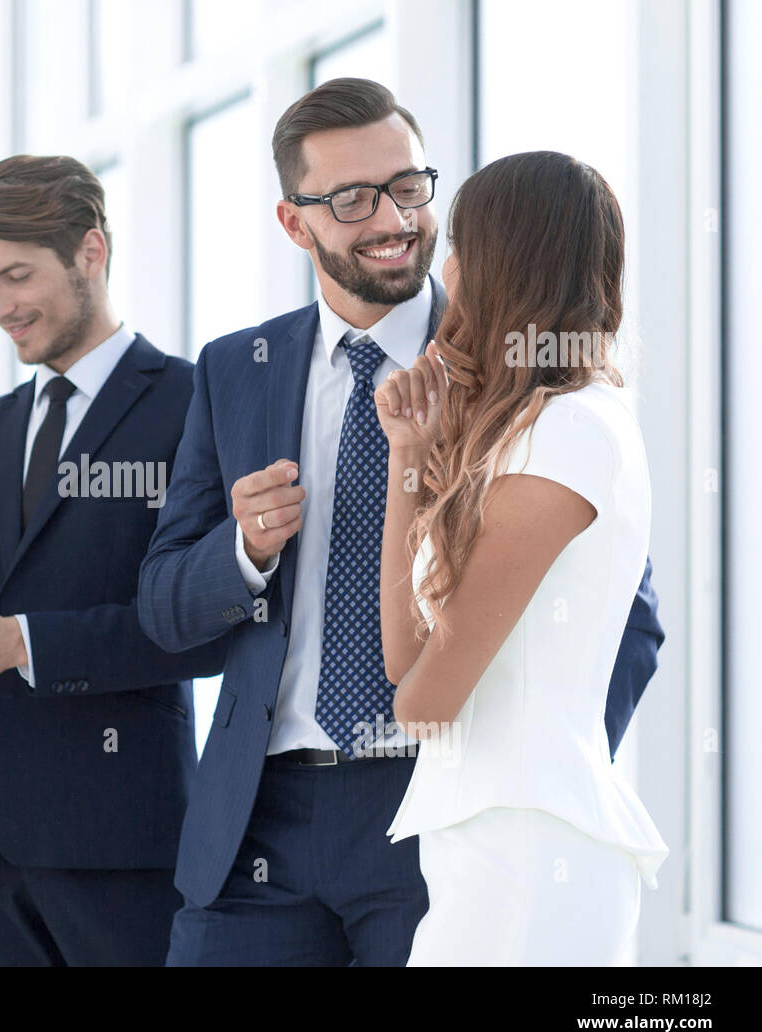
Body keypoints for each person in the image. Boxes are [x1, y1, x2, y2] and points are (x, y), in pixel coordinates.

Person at [138, 78, 664, 966]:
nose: (394, 219)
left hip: (437, 813)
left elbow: (628, 621)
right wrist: (244, 551)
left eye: (409, 188)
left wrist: (511, 785)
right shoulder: (235, 368)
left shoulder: (517, 372)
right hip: (258, 823)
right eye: (352, 198)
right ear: (294, 221)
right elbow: (161, 608)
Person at [0, 155, 227, 966]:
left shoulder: (196, 405)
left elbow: (210, 623)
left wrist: (24, 642)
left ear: (92, 250)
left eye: (15, 276)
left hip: (124, 842)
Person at [376, 150, 668, 965]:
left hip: (532, 862)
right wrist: (412, 455)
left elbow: (418, 702)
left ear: (497, 262)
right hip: (493, 851)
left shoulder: (570, 431)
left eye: (458, 245)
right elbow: (406, 661)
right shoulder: (537, 432)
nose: (449, 270)